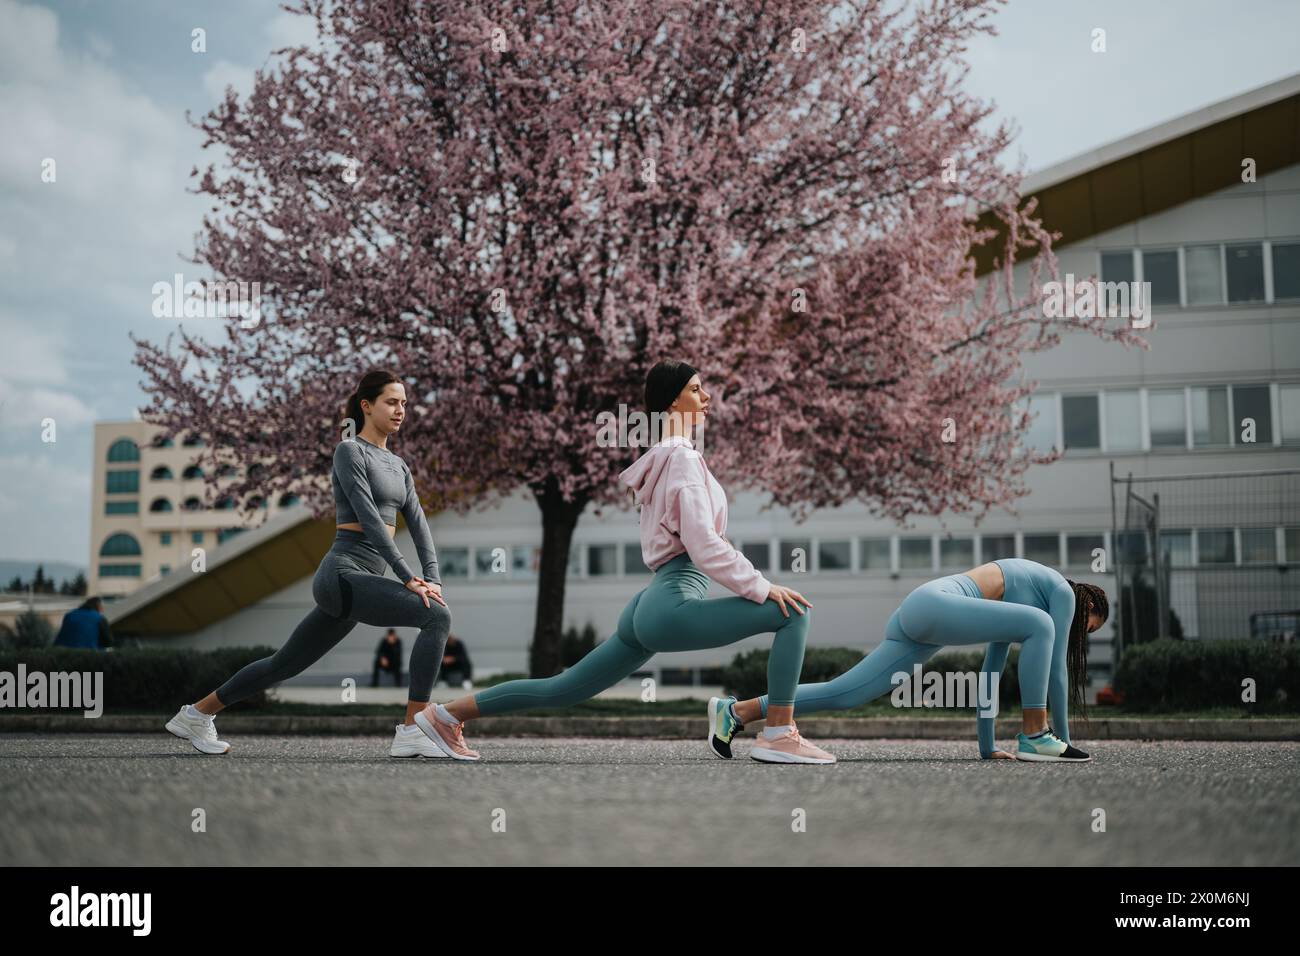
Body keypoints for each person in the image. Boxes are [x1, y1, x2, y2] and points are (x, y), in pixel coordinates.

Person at [413, 360, 834, 764]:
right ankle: (780, 735)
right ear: (672, 402)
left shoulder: (665, 455)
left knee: (561, 689)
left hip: (651, 604)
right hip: (671, 602)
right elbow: (703, 542)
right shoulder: (683, 459)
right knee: (791, 614)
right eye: (695, 389)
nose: (707, 396)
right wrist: (761, 586)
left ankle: (443, 716)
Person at [164, 369, 453, 758]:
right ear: (366, 406)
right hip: (342, 574)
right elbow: (368, 518)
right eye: (391, 402)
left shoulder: (399, 466)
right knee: (435, 617)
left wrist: (432, 578)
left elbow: (418, 523)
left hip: (364, 579)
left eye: (404, 403)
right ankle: (412, 729)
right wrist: (408, 577)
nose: (401, 410)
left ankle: (196, 714)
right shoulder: (349, 451)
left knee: (283, 664)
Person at [713, 558, 1109, 763]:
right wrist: (1061, 742)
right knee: (1042, 625)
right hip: (936, 604)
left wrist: (987, 747)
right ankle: (1036, 736)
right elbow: (1058, 670)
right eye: (1086, 627)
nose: (1078, 631)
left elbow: (991, 673)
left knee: (845, 693)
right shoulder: (1061, 592)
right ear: (1088, 602)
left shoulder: (1020, 615)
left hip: (922, 615)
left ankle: (738, 711)